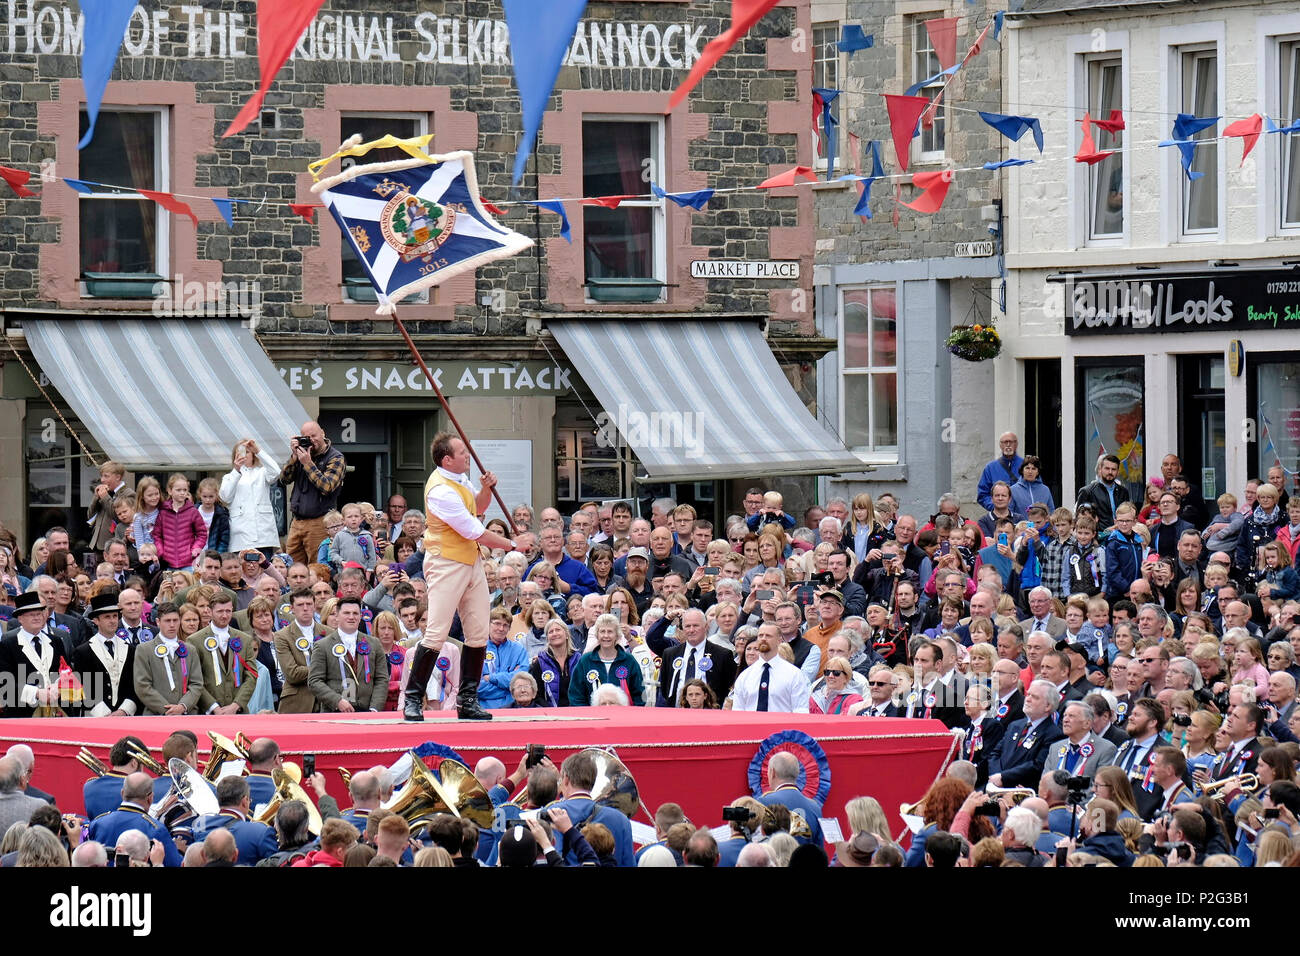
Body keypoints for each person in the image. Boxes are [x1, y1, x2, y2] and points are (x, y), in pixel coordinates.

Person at [403, 433, 518, 722]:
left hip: (470, 560)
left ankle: (467, 700)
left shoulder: (460, 479)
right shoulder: (439, 490)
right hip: (445, 562)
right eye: (462, 453)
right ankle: (413, 699)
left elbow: (477, 510)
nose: (467, 456)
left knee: (478, 632)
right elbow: (472, 529)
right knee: (437, 631)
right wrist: (513, 545)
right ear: (447, 459)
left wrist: (487, 489)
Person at [280, 421, 347, 567]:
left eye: (314, 436)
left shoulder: (335, 457)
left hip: (319, 522)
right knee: (292, 566)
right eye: (306, 437)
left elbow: (327, 486)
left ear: (323, 433)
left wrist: (308, 464)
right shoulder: (301, 454)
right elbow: (284, 479)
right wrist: (294, 457)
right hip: (297, 522)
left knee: (317, 567)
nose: (311, 440)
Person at [308, 597, 389, 713]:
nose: (351, 617)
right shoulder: (322, 646)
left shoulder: (374, 644)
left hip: (368, 712)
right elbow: (314, 681)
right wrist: (337, 701)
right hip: (334, 712)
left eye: (355, 613)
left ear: (360, 616)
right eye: (346, 613)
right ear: (337, 616)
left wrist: (375, 708)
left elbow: (382, 679)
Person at [189, 593, 259, 715]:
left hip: (238, 712)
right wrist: (213, 706)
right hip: (207, 712)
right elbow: (194, 679)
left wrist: (236, 705)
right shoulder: (195, 640)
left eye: (228, 611)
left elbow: (251, 675)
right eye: (220, 611)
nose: (225, 615)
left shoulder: (245, 639)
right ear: (210, 612)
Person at [657, 608, 736, 706]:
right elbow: (665, 688)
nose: (691, 630)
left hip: (711, 714)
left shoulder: (722, 655)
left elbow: (728, 688)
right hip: (676, 712)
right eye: (687, 626)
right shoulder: (670, 654)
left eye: (695, 626)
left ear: (706, 626)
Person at [731, 622, 812, 712]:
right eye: (761, 635)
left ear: (779, 640)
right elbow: (738, 712)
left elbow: (800, 711)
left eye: (768, 636)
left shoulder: (794, 674)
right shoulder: (745, 676)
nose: (763, 639)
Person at [220, 439, 281, 557]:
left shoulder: (262, 472)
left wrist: (258, 450)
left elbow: (276, 472)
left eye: (248, 452)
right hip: (240, 537)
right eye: (241, 452)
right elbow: (225, 497)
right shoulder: (229, 477)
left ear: (253, 455)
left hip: (263, 536)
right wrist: (236, 471)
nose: (244, 455)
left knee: (265, 571)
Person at [569, 613, 645, 707]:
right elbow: (576, 695)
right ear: (597, 635)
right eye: (602, 631)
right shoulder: (585, 661)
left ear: (617, 635)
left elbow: (639, 694)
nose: (606, 636)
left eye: (610, 632)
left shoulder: (629, 660)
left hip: (624, 717)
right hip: (592, 718)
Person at [976, 433, 1025, 512]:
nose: (1008, 445)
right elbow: (982, 495)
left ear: (1016, 444)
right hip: (999, 519)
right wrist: (996, 507)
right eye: (1005, 442)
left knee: (1032, 525)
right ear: (1000, 445)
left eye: (1011, 442)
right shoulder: (990, 468)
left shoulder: (1027, 466)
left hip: (1023, 517)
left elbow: (1035, 489)